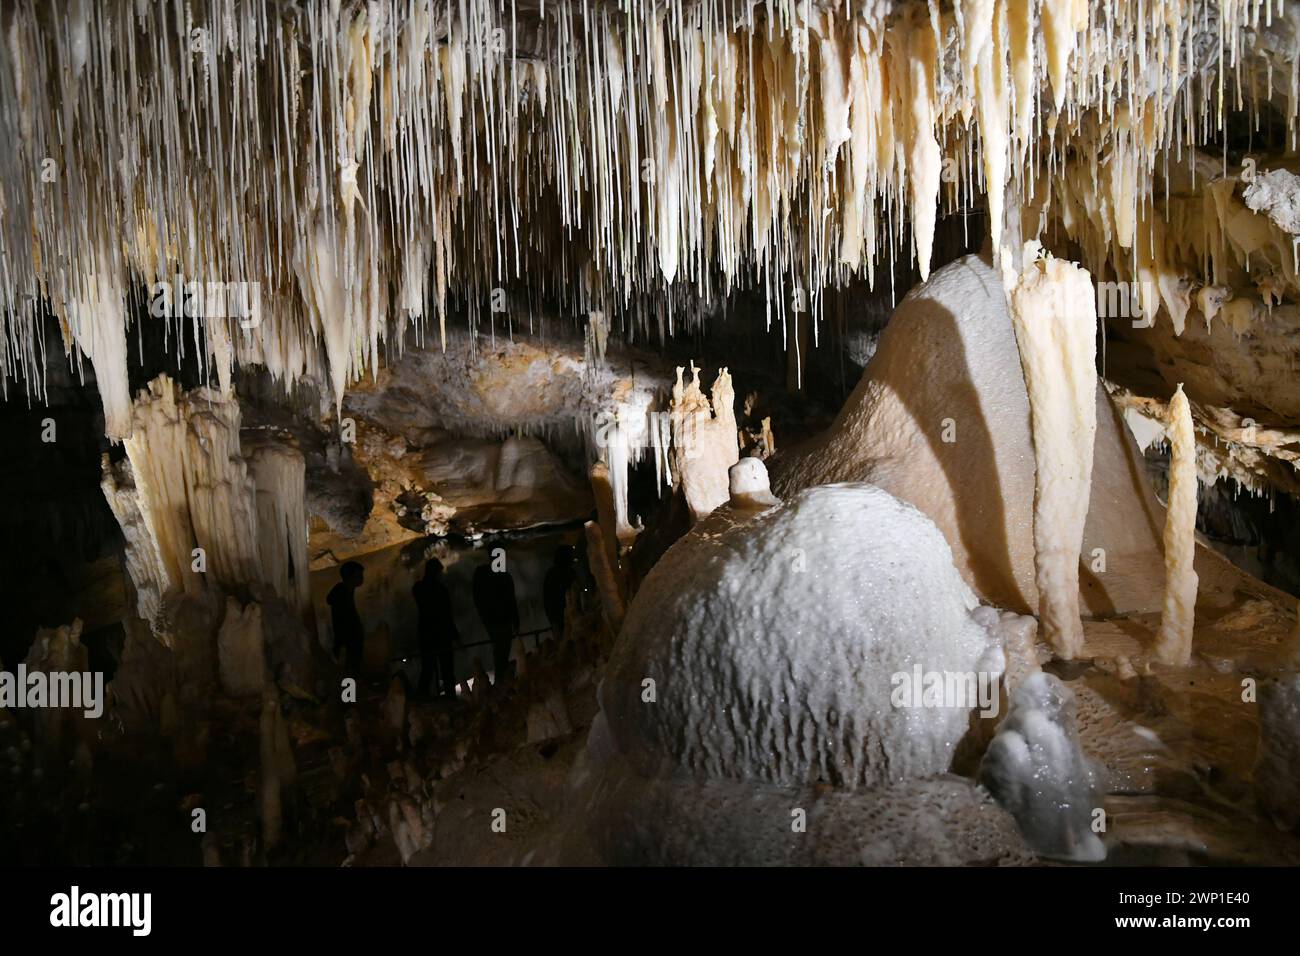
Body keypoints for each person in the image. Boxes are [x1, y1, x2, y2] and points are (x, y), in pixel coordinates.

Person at [412, 558, 459, 698]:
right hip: (442, 633)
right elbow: (447, 614)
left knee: (428, 666)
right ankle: (450, 695)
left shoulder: (418, 588)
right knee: (446, 667)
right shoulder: (441, 590)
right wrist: (455, 634)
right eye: (440, 572)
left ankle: (423, 694)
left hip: (426, 632)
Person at [472, 561, 519, 685]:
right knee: (502, 651)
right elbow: (511, 601)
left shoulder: (483, 583)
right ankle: (501, 680)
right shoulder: (502, 579)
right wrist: (515, 620)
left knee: (500, 651)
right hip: (501, 620)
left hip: (493, 621)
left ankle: (500, 679)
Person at [327, 561, 366, 673]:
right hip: (348, 639)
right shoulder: (342, 591)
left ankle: (350, 687)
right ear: (350, 577)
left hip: (350, 638)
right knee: (349, 670)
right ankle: (349, 688)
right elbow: (345, 618)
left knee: (352, 669)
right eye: (358, 576)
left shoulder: (347, 591)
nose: (361, 579)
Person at [543, 545, 576, 639]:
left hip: (561, 613)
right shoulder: (569, 573)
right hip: (562, 612)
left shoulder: (552, 573)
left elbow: (547, 599)